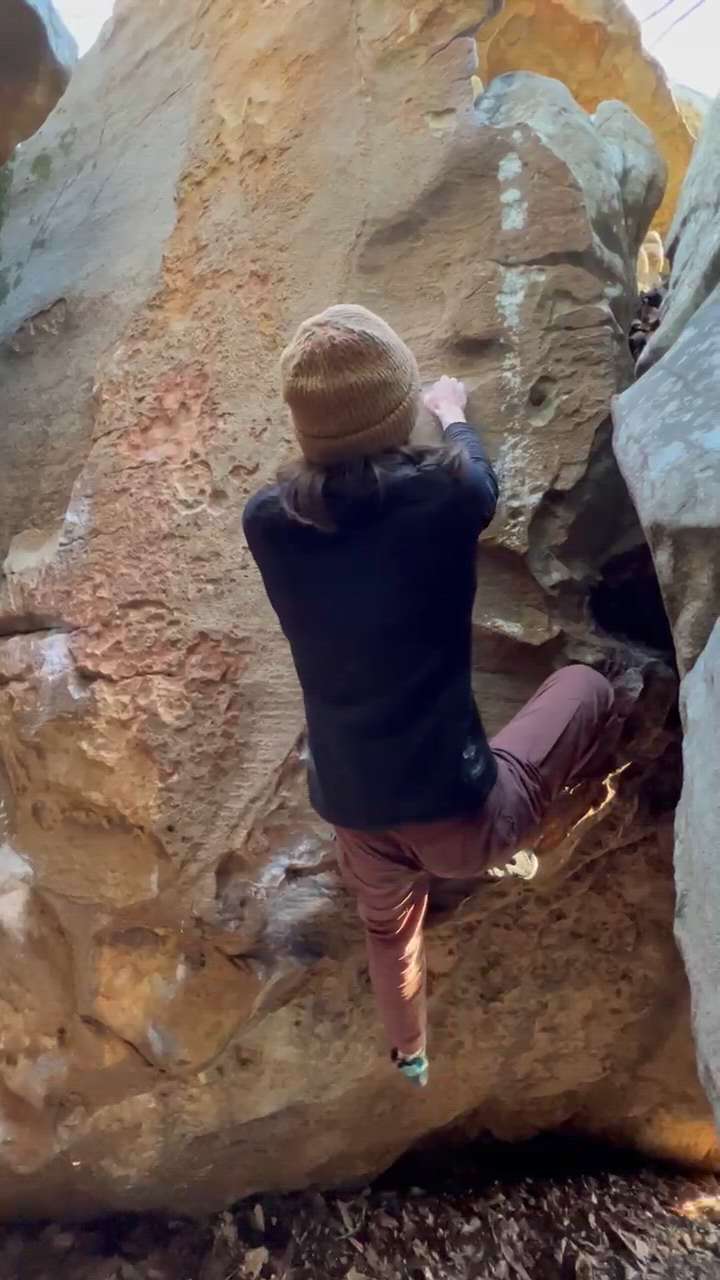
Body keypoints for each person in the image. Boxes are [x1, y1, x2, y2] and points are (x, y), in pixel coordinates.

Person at [244, 304, 620, 1089]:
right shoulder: (444, 497)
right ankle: (560, 818)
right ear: (398, 411)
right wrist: (451, 414)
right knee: (588, 684)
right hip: (462, 817)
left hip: (354, 810)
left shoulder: (268, 522)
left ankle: (410, 1054)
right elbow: (479, 477)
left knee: (389, 932)